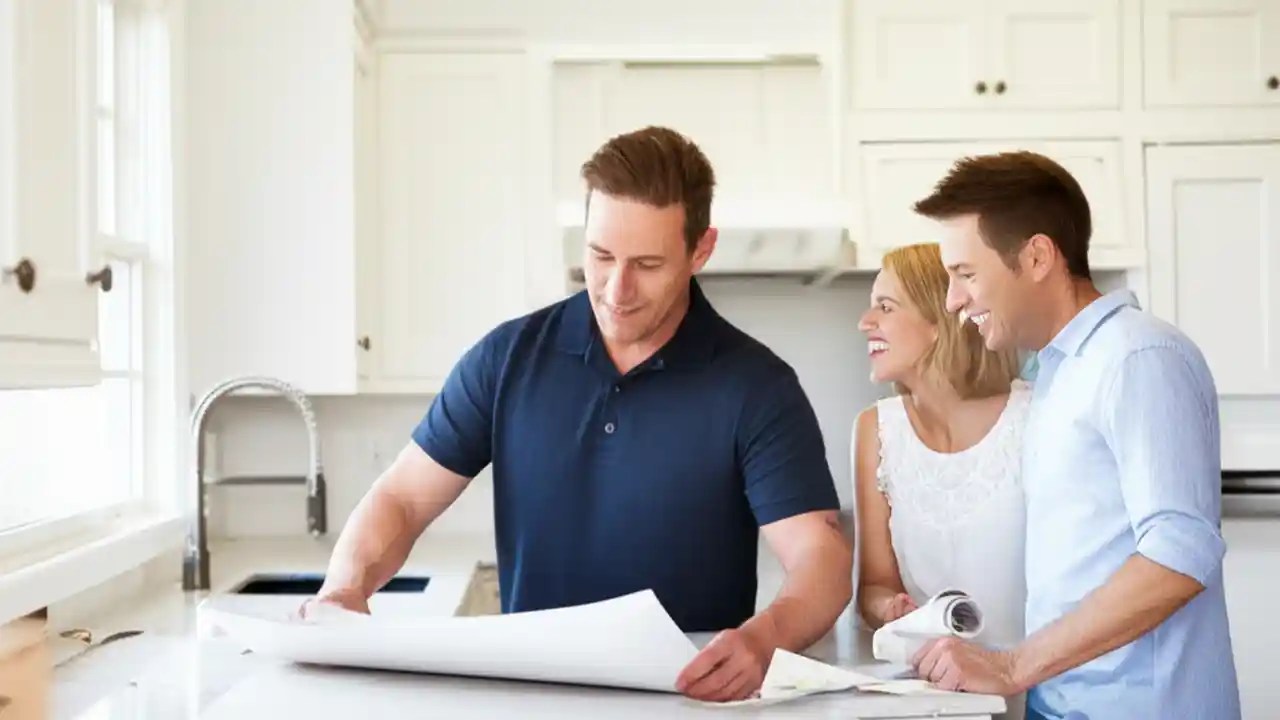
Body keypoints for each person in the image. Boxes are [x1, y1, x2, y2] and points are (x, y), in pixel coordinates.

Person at [304, 125, 853, 703]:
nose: (617, 289)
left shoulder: (757, 387)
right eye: (600, 255)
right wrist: (344, 588)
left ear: (701, 250)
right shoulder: (507, 359)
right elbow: (403, 498)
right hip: (533, 695)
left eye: (647, 263)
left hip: (688, 699)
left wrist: (766, 638)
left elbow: (821, 558)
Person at [908, 151, 1241, 720]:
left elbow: (1180, 551)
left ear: (1037, 256)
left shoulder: (1139, 356)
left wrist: (1013, 666)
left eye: (965, 274)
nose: (953, 300)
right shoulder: (1059, 371)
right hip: (1063, 704)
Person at [853, 242, 1030, 719]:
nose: (865, 322)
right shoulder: (877, 431)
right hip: (934, 699)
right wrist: (888, 607)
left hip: (1038, 690)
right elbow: (872, 589)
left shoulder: (1034, 417)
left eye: (885, 307)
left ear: (940, 319)